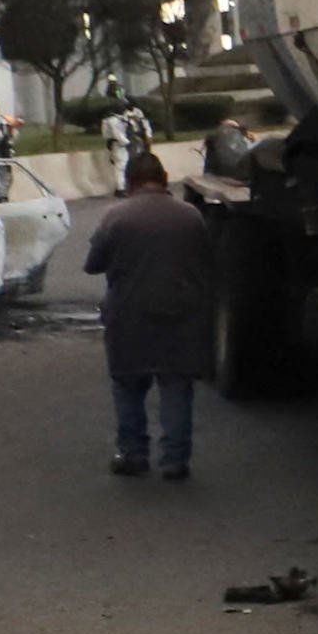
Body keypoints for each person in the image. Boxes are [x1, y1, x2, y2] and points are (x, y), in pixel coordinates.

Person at [83, 149, 212, 481]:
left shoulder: (115, 217)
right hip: (182, 314)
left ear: (130, 182)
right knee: (176, 386)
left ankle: (134, 453)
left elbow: (93, 264)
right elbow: (204, 260)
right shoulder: (191, 216)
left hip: (129, 317)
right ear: (165, 180)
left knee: (128, 385)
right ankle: (175, 460)